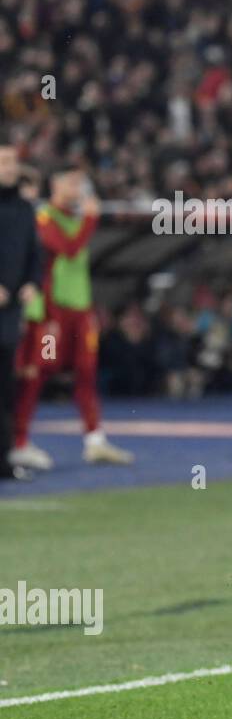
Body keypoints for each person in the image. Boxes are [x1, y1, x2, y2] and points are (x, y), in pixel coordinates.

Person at [10, 165, 133, 470]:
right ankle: (19, 441)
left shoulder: (74, 220)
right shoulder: (44, 219)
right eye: (74, 183)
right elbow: (68, 248)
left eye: (82, 183)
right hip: (52, 313)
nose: (80, 190)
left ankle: (95, 440)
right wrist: (91, 219)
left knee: (87, 372)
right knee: (38, 371)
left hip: (80, 313)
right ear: (58, 184)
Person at [0, 145, 42, 481]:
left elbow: (34, 254)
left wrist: (31, 283)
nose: (10, 167)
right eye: (3, 161)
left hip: (9, 313)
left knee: (5, 389)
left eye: (12, 161)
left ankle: (3, 459)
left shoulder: (25, 208)